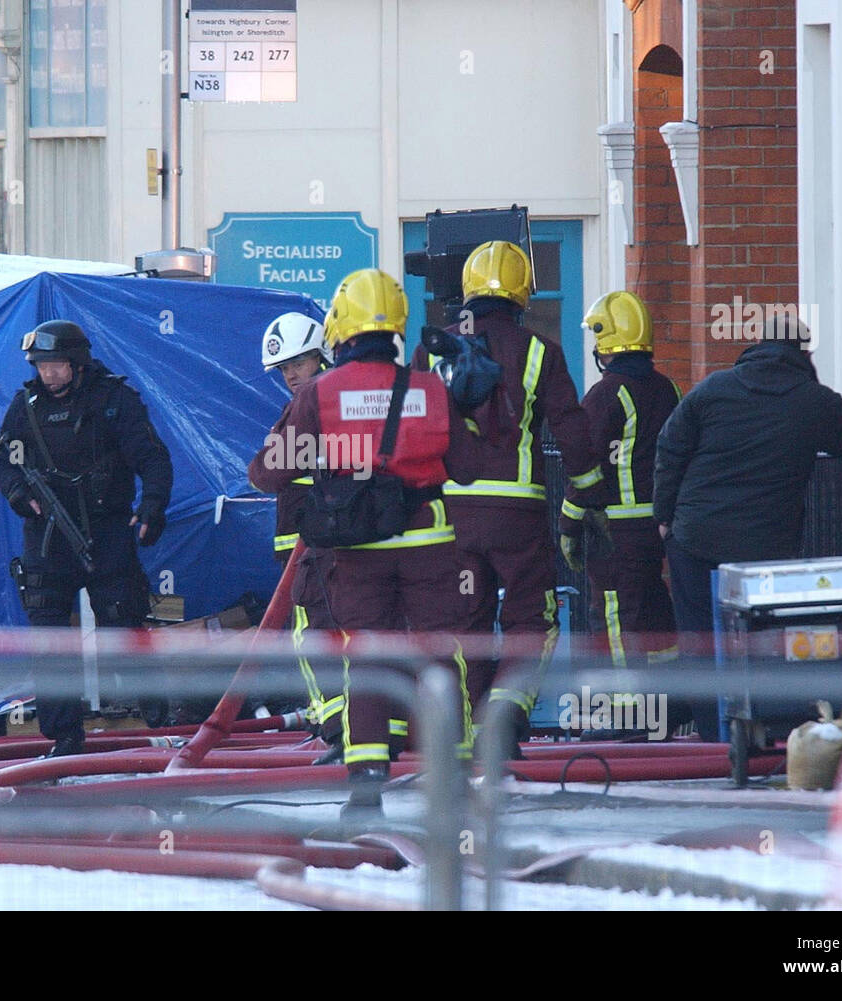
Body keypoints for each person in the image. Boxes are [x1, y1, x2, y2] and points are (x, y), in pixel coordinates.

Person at [249, 269, 486, 819]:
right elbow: (469, 470)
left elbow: (268, 474)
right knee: (440, 656)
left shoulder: (321, 393)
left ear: (340, 328)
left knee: (367, 656)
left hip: (357, 553)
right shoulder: (430, 388)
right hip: (430, 542)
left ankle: (367, 786)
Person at [412, 240, 609, 757]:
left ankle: (462, 734)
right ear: (524, 294)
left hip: (448, 515)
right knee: (530, 616)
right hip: (516, 516)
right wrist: (589, 496)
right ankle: (506, 713)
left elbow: (409, 431)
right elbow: (572, 432)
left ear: (467, 290)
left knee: (462, 621)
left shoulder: (432, 350)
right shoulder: (542, 350)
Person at [653, 316, 842, 740]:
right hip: (762, 548)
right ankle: (762, 729)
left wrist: (664, 518)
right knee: (762, 641)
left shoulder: (714, 387)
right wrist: (811, 380)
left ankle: (716, 736)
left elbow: (670, 446)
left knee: (699, 642)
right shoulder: (811, 399)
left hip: (694, 536)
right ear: (803, 353)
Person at [0, 319, 173, 757]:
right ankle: (64, 738)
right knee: (51, 642)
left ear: (77, 362)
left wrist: (151, 508)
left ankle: (159, 717)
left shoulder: (113, 401)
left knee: (122, 627)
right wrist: (19, 494)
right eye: (41, 365)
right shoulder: (26, 405)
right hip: (47, 539)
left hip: (106, 530)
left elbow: (152, 458)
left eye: (56, 365)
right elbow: (3, 461)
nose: (48, 373)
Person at [559, 292, 680, 692]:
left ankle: (626, 710)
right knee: (653, 612)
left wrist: (569, 525)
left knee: (615, 614)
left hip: (616, 532)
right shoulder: (669, 390)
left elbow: (584, 464)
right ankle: (669, 703)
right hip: (658, 528)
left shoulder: (607, 394)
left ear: (604, 339)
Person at [253, 312, 347, 750]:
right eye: (284, 367)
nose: (290, 373)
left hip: (311, 549)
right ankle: (347, 723)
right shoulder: (340, 393)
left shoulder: (312, 399)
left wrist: (261, 464)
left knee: (310, 636)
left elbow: (270, 470)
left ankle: (332, 728)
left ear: (320, 354)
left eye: (298, 361)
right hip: (323, 542)